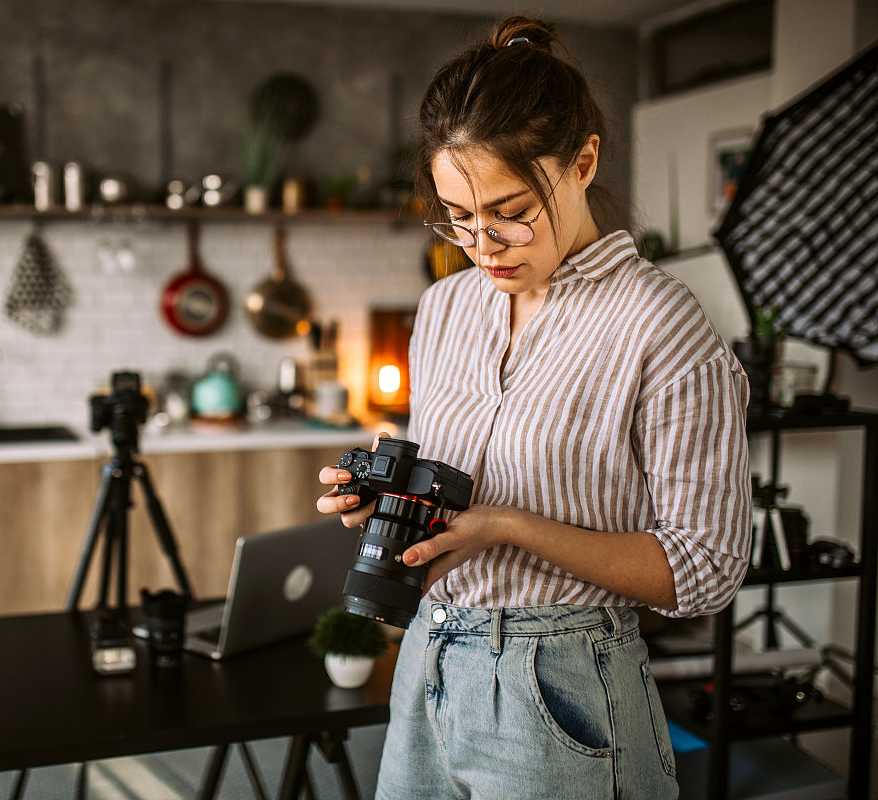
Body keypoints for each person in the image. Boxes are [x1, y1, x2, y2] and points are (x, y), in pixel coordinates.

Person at [317, 16, 751, 800]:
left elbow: (706, 570)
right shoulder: (446, 308)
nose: (484, 244)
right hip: (427, 664)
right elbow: (451, 491)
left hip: (563, 687)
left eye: (511, 210)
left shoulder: (659, 323)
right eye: (458, 215)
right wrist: (391, 503)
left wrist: (510, 526)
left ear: (583, 161)